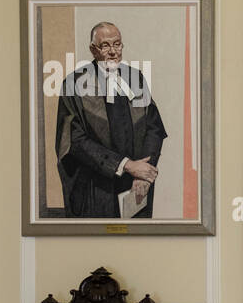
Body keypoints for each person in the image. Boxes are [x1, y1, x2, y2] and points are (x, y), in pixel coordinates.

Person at [54, 22, 167, 218]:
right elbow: (74, 139)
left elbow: (154, 127)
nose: (113, 51)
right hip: (96, 186)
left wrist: (145, 172)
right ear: (93, 49)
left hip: (135, 184)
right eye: (105, 45)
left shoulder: (135, 78)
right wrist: (125, 165)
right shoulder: (74, 84)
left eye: (117, 44)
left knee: (135, 244)